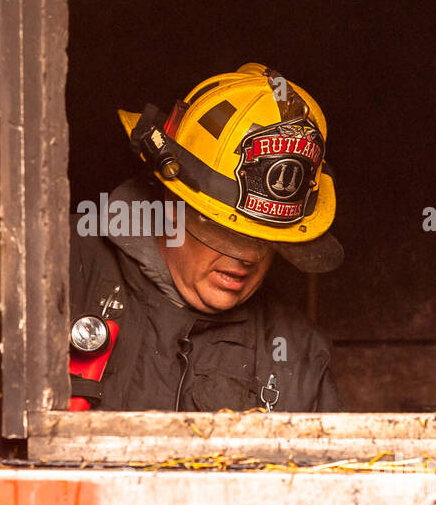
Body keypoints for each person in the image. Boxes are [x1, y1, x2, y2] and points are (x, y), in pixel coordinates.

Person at [69, 63, 342, 412]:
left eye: (263, 239)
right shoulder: (61, 270)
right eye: (223, 230)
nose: (244, 257)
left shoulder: (298, 352)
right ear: (171, 203)